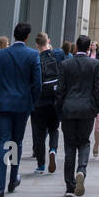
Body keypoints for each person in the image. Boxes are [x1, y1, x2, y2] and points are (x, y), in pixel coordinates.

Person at [0, 22, 41, 197]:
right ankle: (13, 178)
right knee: (16, 143)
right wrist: (33, 101)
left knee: (2, 142)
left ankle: (0, 188)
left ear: (14, 35)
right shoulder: (33, 55)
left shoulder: (1, 54)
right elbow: (37, 83)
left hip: (2, 104)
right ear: (27, 37)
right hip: (22, 105)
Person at [56, 34, 99, 196]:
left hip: (69, 109)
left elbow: (60, 90)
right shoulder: (94, 64)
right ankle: (81, 169)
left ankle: (70, 185)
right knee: (84, 142)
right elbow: (98, 89)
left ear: (76, 47)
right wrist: (97, 108)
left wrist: (59, 110)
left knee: (69, 145)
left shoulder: (65, 64)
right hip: (87, 110)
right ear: (89, 48)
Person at [31, 31, 64, 174]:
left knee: (39, 134)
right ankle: (53, 150)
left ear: (36, 45)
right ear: (48, 41)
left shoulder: (36, 58)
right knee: (53, 129)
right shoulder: (57, 55)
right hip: (54, 100)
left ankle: (41, 165)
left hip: (39, 102)